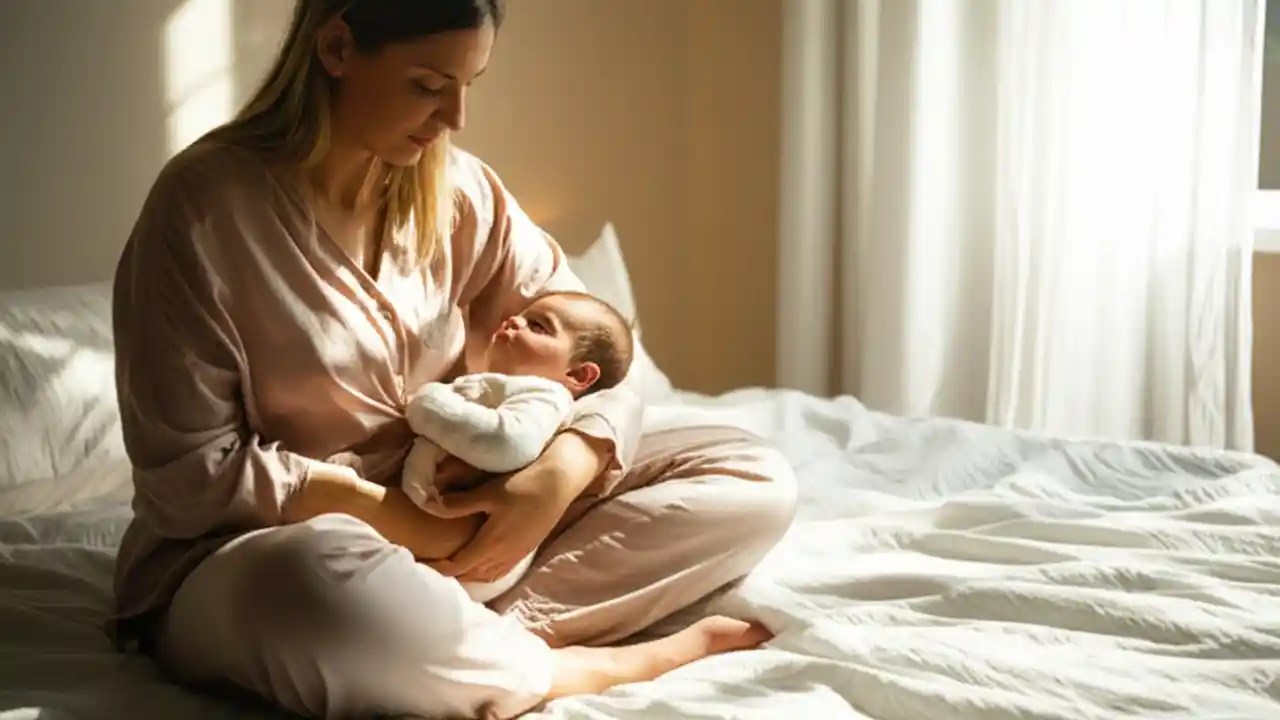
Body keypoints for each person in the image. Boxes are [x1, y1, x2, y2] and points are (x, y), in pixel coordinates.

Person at [108, 1, 798, 718]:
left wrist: (558, 478)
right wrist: (403, 521)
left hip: (463, 523)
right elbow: (188, 480)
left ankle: (473, 642)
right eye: (429, 85)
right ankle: (558, 667)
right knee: (316, 588)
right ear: (338, 48)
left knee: (752, 475)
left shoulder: (462, 191)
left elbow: (596, 354)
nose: (456, 117)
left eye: (471, 84)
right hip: (264, 550)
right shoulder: (204, 210)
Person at [401, 290, 635, 602]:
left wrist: (427, 403)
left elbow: (505, 443)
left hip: (471, 548)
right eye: (521, 316)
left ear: (578, 374)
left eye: (538, 326)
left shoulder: (544, 396)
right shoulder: (506, 386)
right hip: (437, 534)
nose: (513, 320)